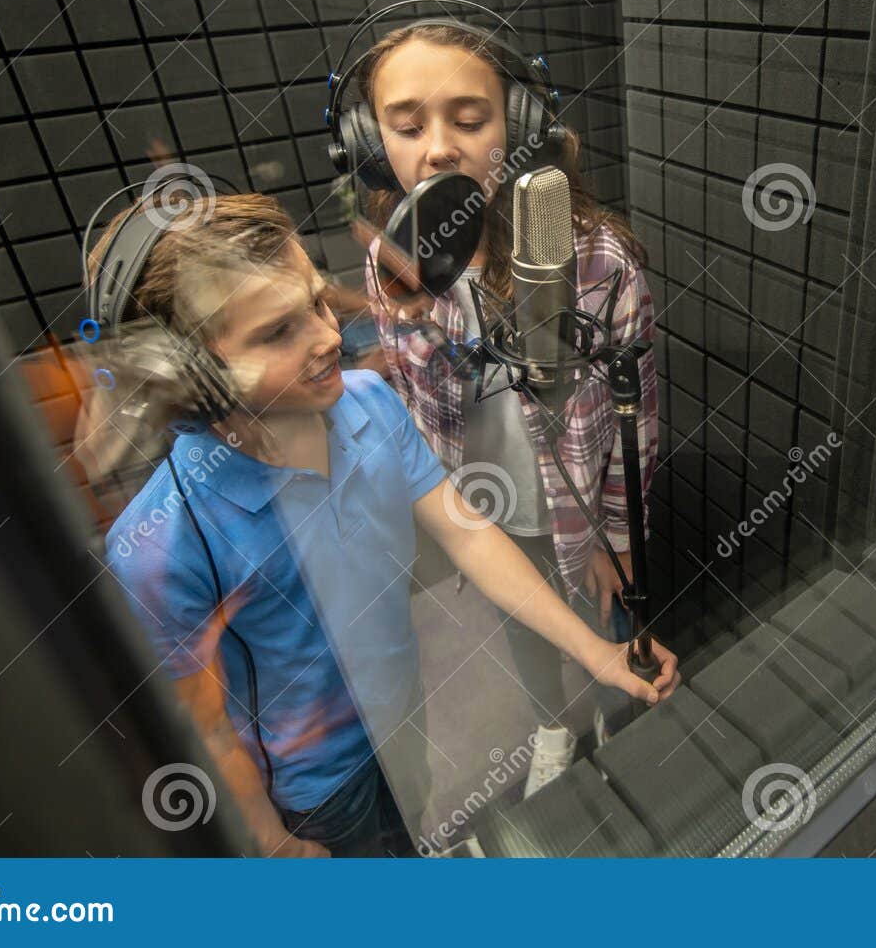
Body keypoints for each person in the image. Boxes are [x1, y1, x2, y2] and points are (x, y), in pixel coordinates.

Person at [87, 192, 677, 857]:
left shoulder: (369, 401)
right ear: (186, 375)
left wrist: (593, 649)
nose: (331, 336)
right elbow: (203, 728)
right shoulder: (163, 540)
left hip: (405, 717)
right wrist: (270, 840)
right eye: (279, 331)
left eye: (316, 301)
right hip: (318, 785)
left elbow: (469, 534)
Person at [347, 18, 661, 797]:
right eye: (407, 124)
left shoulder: (595, 261)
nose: (439, 146)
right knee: (522, 627)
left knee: (610, 624)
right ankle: (552, 727)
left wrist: (613, 536)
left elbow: (639, 423)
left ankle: (623, 734)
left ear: (517, 126)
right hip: (489, 507)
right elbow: (417, 403)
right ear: (367, 138)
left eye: (470, 118)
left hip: (580, 507)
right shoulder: (394, 263)